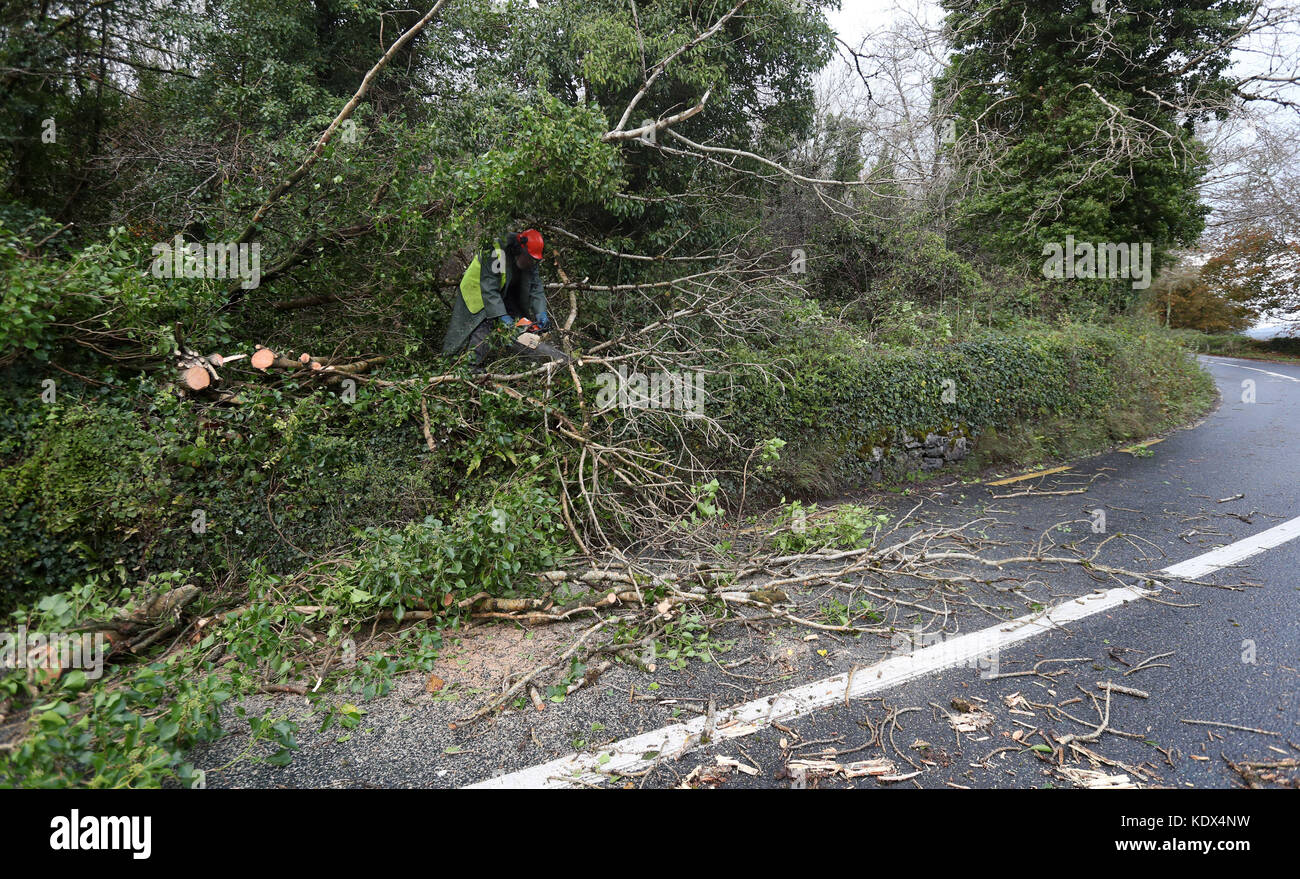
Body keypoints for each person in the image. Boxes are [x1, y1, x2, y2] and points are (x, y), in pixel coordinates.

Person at [441, 229, 567, 369]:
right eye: (530, 259)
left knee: (519, 326)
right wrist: (502, 316)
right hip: (478, 290)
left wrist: (541, 312)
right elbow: (490, 290)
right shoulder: (496, 251)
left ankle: (547, 358)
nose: (532, 263)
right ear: (520, 249)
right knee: (485, 324)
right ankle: (466, 366)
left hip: (504, 292)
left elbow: (536, 287)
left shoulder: (531, 259)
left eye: (535, 260)